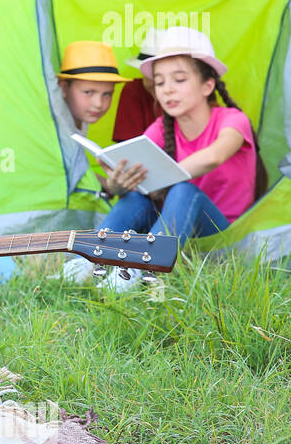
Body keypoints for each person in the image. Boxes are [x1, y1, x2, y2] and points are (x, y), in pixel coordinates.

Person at [62, 26, 266, 291]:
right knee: (135, 197)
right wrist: (120, 181)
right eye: (160, 83)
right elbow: (136, 180)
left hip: (223, 241)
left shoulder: (232, 120)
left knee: (182, 191)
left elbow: (214, 156)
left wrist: (165, 175)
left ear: (208, 85)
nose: (167, 90)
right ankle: (87, 262)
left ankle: (140, 268)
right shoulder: (160, 127)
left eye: (179, 80)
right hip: (178, 235)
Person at [57, 40, 127, 132]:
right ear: (64, 88)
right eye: (88, 92)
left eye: (107, 94)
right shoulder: (51, 129)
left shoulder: (81, 120)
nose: (98, 104)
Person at [112, 33, 163, 142]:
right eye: (150, 73)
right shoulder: (134, 90)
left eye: (178, 79)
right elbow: (128, 146)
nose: (157, 82)